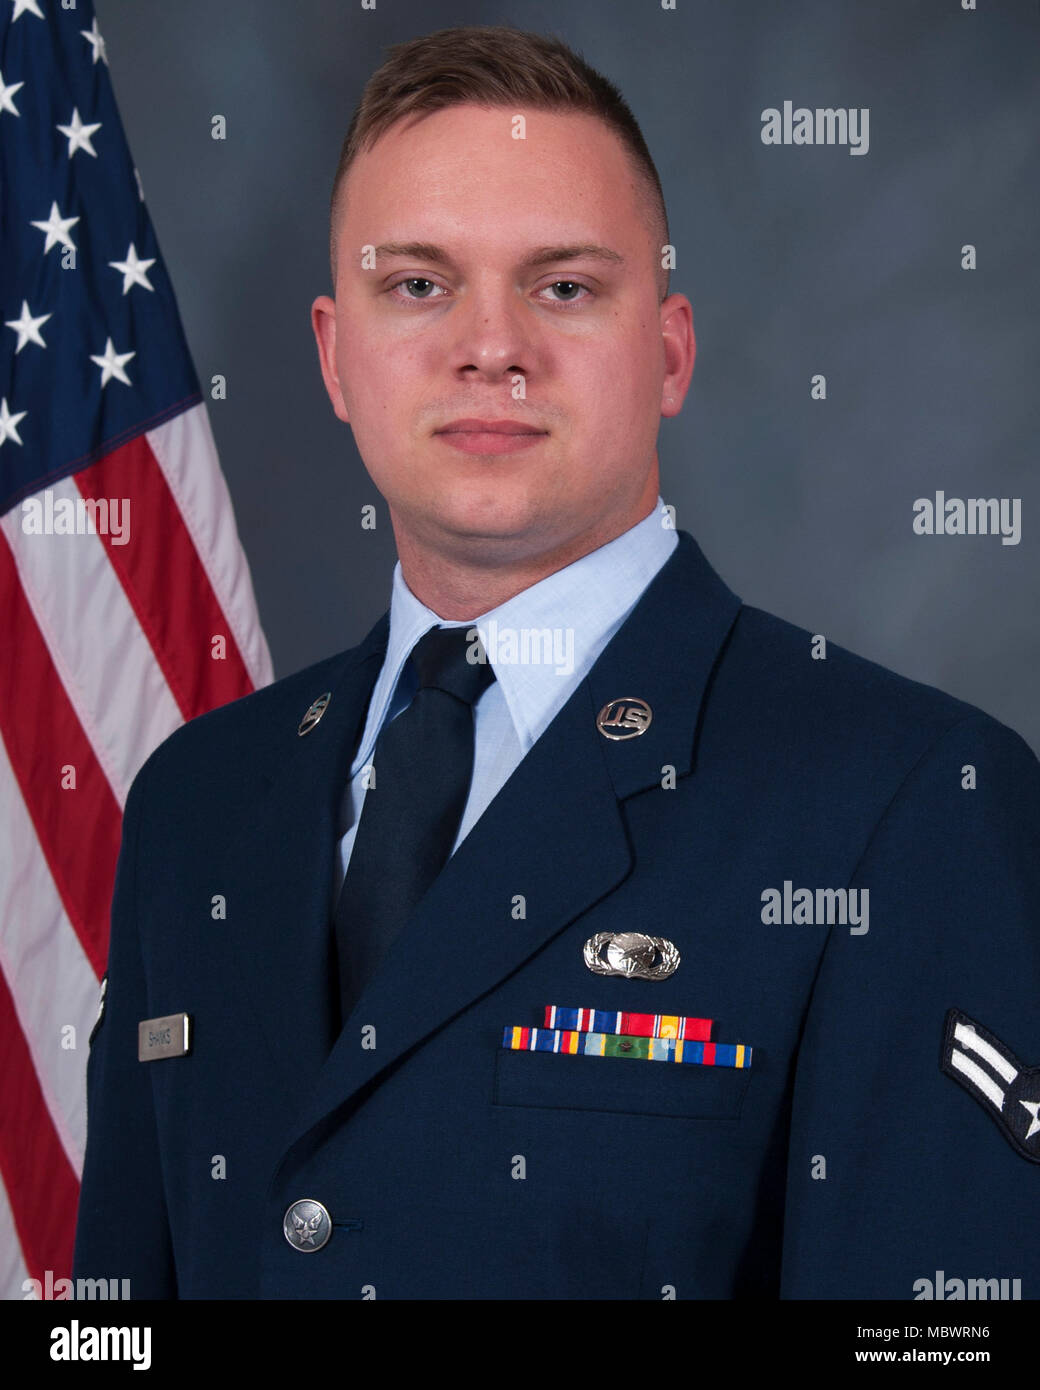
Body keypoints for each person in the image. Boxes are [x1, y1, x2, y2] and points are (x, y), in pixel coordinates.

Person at [74, 23, 1039, 1300]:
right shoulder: (199, 801)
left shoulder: (905, 804)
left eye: (564, 286)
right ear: (332, 357)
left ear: (671, 351)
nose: (491, 345)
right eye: (417, 284)